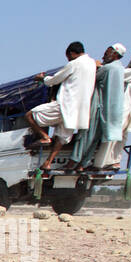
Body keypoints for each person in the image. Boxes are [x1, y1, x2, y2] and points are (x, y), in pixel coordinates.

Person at [26, 41, 97, 172]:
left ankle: (45, 137)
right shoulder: (92, 64)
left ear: (71, 54)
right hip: (79, 111)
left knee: (30, 115)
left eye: (68, 56)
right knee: (61, 137)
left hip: (66, 104)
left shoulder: (74, 64)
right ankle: (48, 162)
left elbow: (54, 80)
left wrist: (42, 78)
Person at [71, 44, 126, 170]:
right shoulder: (120, 68)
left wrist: (95, 66)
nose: (104, 55)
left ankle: (74, 161)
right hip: (110, 111)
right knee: (95, 138)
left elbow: (91, 78)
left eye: (107, 53)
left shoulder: (108, 68)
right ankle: (83, 164)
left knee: (85, 135)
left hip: (98, 106)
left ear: (115, 54)